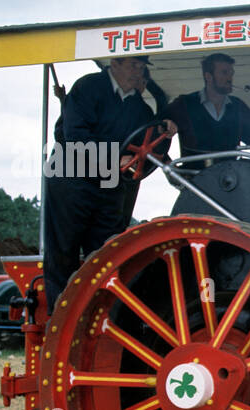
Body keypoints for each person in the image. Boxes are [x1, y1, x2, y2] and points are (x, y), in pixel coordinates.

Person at [42, 55, 176, 311]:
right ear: (114, 64)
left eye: (142, 66)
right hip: (71, 178)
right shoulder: (88, 88)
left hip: (109, 185)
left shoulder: (141, 110)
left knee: (106, 251)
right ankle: (58, 316)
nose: (139, 71)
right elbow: (75, 137)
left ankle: (97, 314)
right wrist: (115, 157)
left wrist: (165, 131)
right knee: (64, 250)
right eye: (134, 65)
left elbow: (147, 150)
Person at [166, 53, 250, 161]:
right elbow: (154, 134)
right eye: (224, 73)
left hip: (231, 176)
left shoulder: (238, 107)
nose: (230, 78)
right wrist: (172, 172)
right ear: (208, 77)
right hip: (194, 176)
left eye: (231, 73)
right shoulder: (185, 104)